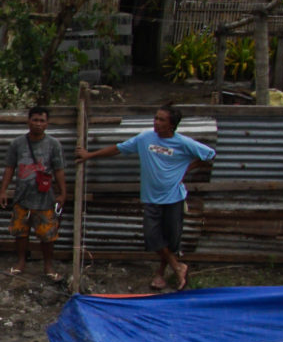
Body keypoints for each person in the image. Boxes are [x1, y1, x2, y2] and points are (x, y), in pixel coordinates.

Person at [78, 105, 215, 291]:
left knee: (171, 239)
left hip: (174, 198)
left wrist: (186, 169)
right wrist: (89, 155)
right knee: (152, 237)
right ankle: (177, 266)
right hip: (151, 198)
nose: (156, 123)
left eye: (161, 120)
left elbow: (209, 154)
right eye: (156, 118)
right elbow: (118, 148)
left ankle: (160, 273)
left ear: (172, 124)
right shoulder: (145, 138)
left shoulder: (183, 143)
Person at [0, 103, 67, 283]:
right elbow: (9, 167)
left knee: (47, 235)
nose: (38, 123)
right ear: (28, 121)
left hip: (45, 198)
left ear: (47, 123)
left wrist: (62, 194)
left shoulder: (53, 145)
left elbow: (59, 170)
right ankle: (21, 263)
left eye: (42, 120)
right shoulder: (17, 144)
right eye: (35, 120)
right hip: (22, 196)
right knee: (20, 232)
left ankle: (48, 267)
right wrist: (3, 190)